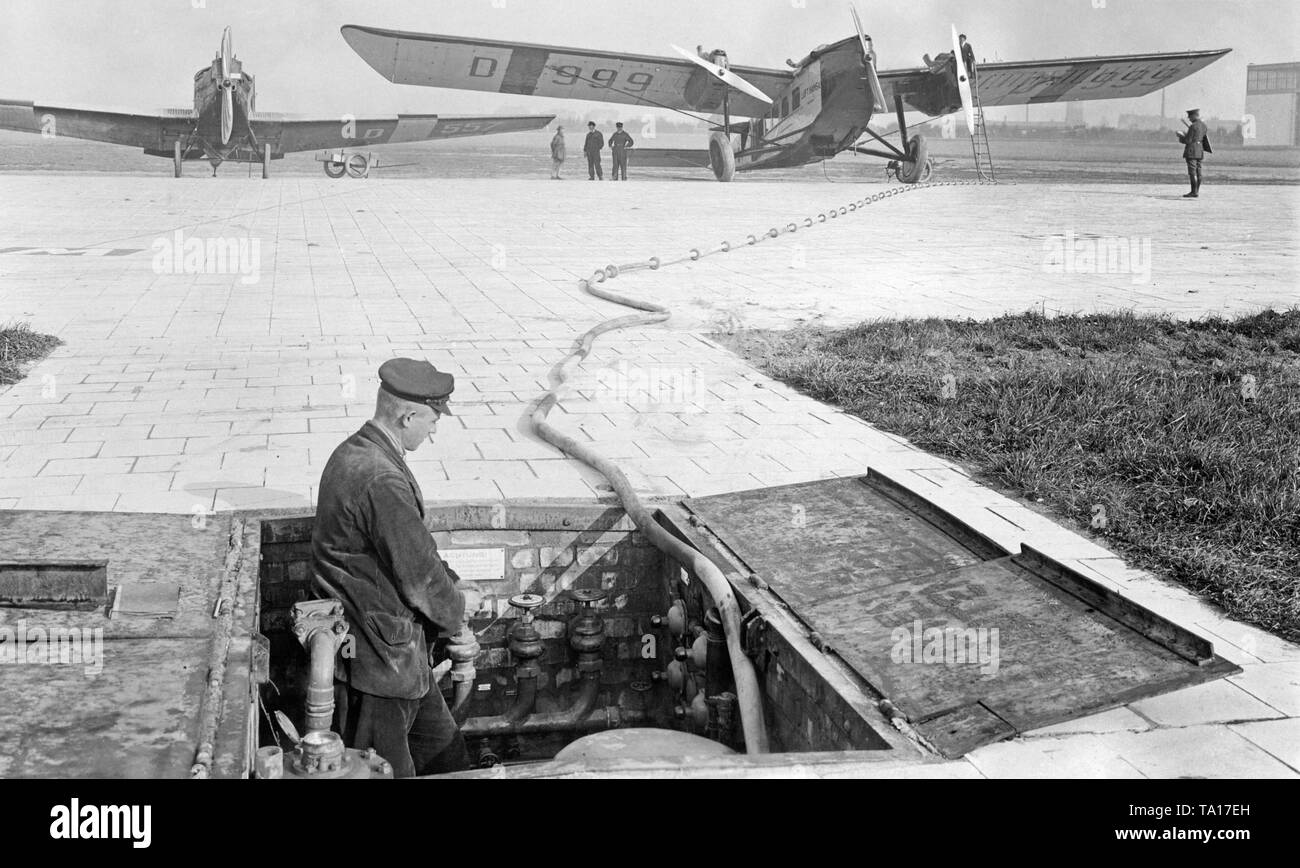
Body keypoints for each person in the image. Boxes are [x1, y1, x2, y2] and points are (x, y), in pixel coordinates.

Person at [312, 358, 476, 778]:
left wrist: (451, 585)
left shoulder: (354, 452)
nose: (434, 429)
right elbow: (420, 578)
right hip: (378, 670)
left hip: (400, 661)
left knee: (448, 759)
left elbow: (405, 549)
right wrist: (457, 610)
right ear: (408, 416)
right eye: (433, 419)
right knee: (383, 771)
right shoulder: (380, 479)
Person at [1177, 108, 1212, 198]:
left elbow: (1188, 140)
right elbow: (1201, 137)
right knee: (1198, 171)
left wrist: (1181, 136)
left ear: (1194, 116)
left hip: (1192, 151)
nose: (1189, 118)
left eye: (1190, 116)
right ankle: (1196, 191)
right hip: (1200, 151)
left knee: (1192, 172)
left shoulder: (1193, 126)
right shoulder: (1203, 125)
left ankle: (1194, 192)